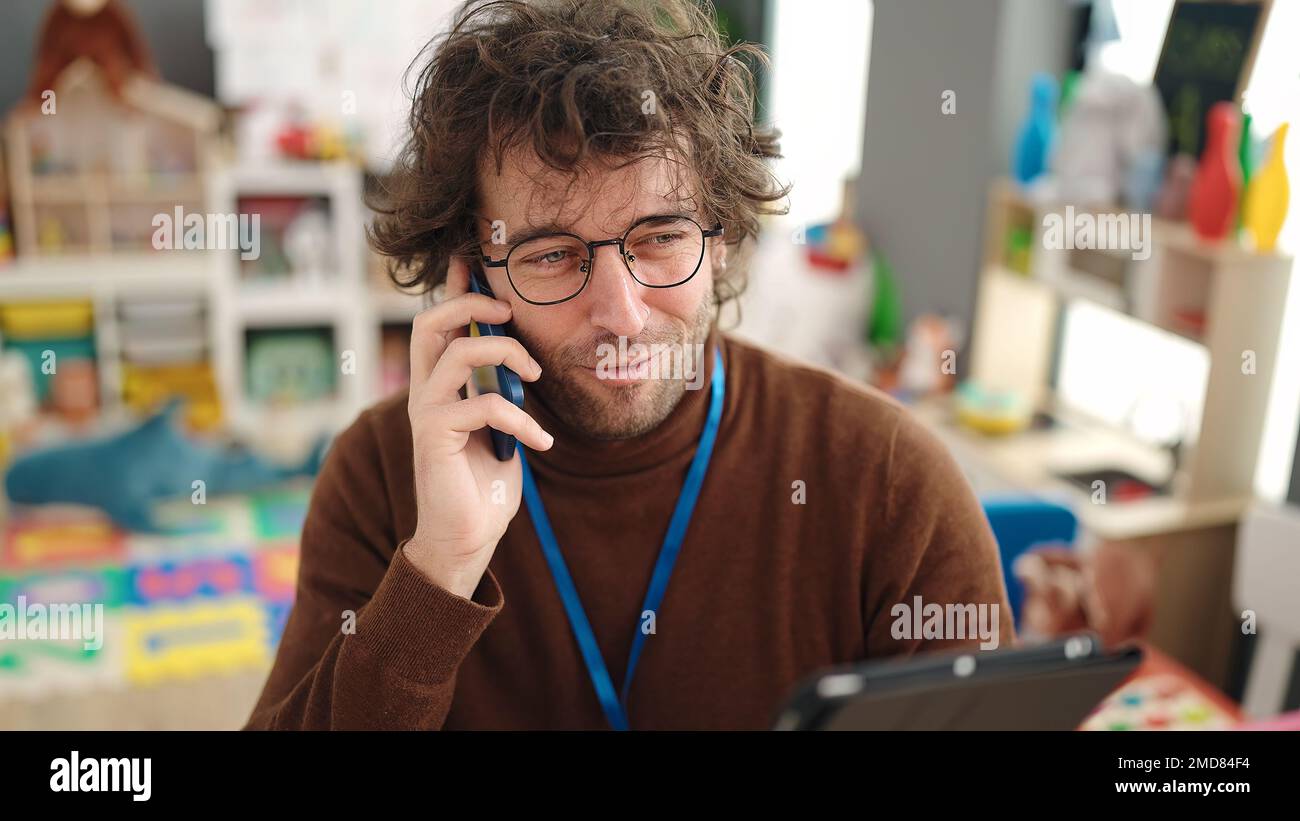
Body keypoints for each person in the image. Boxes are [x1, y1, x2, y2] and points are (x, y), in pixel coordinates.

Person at [246, 0, 1010, 731]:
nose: (624, 312)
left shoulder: (888, 478)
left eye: (661, 237)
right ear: (470, 274)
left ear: (723, 238)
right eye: (551, 254)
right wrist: (439, 566)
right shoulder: (380, 476)